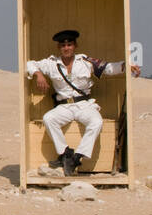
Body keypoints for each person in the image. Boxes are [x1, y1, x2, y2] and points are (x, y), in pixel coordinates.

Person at [26, 29, 141, 176]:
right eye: (63, 45)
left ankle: (77, 157)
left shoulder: (86, 62)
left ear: (75, 46)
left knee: (96, 122)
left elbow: (108, 68)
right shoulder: (51, 63)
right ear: (59, 47)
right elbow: (29, 64)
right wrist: (39, 75)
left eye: (69, 44)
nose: (66, 48)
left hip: (84, 105)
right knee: (49, 118)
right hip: (64, 106)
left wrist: (126, 65)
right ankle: (65, 153)